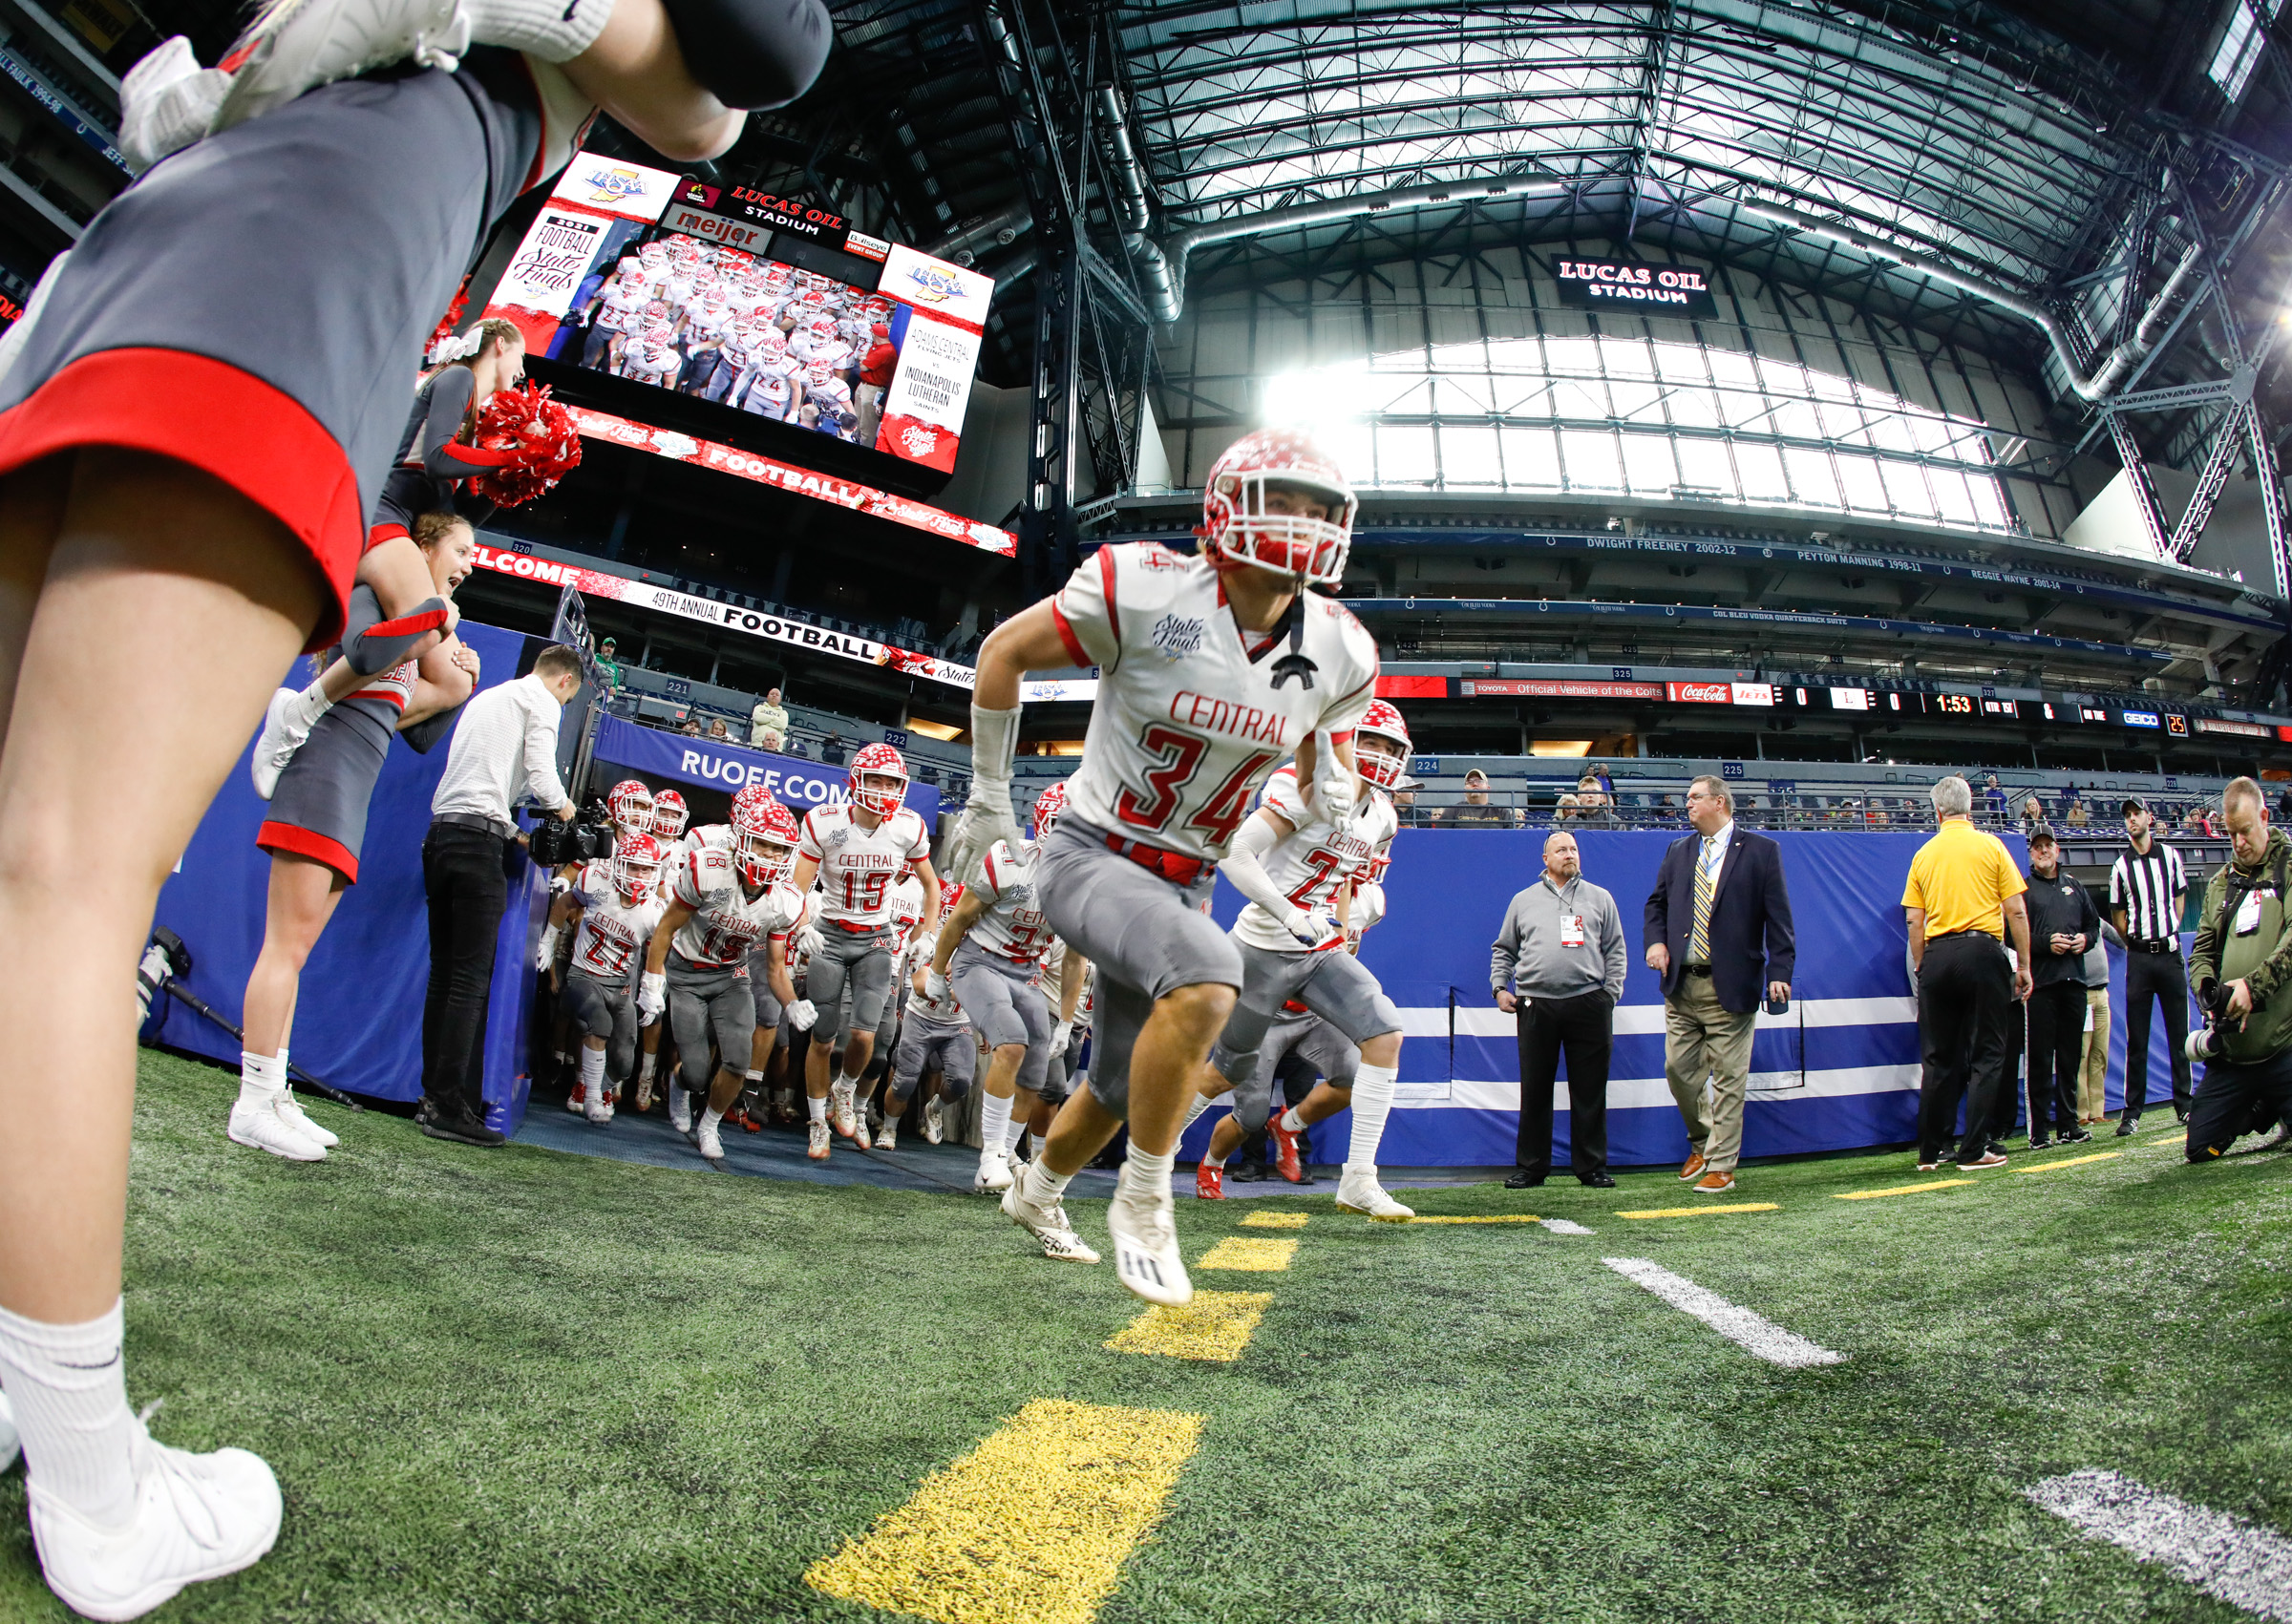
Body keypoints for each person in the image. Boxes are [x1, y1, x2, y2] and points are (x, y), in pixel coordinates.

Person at [0, 0, 825, 1608]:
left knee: (21, 868)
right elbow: (743, 67)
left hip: (134, 243)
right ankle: (92, 1483)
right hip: (317, 230)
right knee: (70, 880)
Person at [947, 428, 1378, 1306]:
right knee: (1211, 974)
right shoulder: (1143, 587)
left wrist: (1328, 777)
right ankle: (1145, 1199)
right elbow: (1002, 653)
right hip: (1090, 851)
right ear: (1224, 509)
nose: (1302, 524)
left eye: (1317, 509)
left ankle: (1039, 1189)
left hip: (1186, 877)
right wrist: (990, 794)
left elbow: (1319, 737)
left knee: (1116, 1081)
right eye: (1283, 502)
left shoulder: (1342, 644)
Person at [232, 513, 481, 1161]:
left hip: (351, 786)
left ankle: (274, 1091)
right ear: (421, 545)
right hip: (320, 771)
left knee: (299, 949)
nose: (468, 563)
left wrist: (458, 660)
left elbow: (439, 691)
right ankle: (252, 1101)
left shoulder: (424, 623)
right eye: (459, 548)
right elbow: (368, 648)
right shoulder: (377, 594)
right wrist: (440, 625)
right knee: (284, 946)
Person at [1188, 700, 1411, 1217]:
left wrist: (1365, 910)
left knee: (1385, 1033)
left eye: (1390, 746)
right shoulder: (1309, 788)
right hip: (1262, 948)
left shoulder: (1382, 814)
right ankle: (1155, 1153)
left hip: (1319, 951)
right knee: (1224, 1072)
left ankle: (1359, 1178)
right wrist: (1289, 914)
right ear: (1345, 743)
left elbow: (1362, 883)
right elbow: (1236, 854)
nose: (1379, 754)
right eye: (1370, 741)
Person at [421, 643, 584, 1146]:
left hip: (441, 838)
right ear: (565, 683)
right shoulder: (542, 703)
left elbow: (483, 782)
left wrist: (516, 832)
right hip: (475, 850)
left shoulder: (493, 697)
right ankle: (452, 1106)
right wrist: (566, 811)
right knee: (470, 981)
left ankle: (434, 1097)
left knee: (445, 976)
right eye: (570, 697)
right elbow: (541, 773)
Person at [932, 780, 1081, 1221]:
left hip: (1026, 973)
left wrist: (1068, 1023)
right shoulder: (1006, 859)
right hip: (980, 961)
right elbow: (959, 920)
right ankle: (991, 1156)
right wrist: (939, 975)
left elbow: (1074, 962)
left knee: (1036, 1069)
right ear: (1043, 824)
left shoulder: (1081, 882)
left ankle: (1010, 1154)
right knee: (1011, 1042)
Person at [1644, 774, 1794, 1193]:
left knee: (1729, 1078)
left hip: (1732, 984)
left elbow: (1779, 918)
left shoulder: (1762, 851)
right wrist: (1656, 942)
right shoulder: (1679, 850)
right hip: (1681, 986)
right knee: (1679, 1071)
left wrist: (1780, 973)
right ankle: (1703, 1141)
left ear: (1720, 802)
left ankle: (1722, 1164)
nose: (1686, 804)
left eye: (1694, 798)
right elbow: (1657, 904)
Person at [789, 742, 939, 1159]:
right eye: (877, 780)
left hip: (876, 937)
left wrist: (927, 934)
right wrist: (801, 927)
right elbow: (796, 888)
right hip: (830, 936)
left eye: (893, 782)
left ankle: (846, 1089)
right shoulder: (824, 821)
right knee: (823, 1037)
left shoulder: (907, 826)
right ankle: (818, 1121)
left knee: (864, 1035)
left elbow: (931, 887)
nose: (886, 789)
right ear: (855, 780)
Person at [642, 795, 808, 1164]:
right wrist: (652, 980)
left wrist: (791, 1003)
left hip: (732, 976)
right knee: (698, 1072)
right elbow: (666, 929)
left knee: (738, 1059)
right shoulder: (709, 868)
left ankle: (710, 1125)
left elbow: (776, 965)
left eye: (779, 847)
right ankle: (681, 1084)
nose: (769, 854)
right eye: (763, 842)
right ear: (742, 839)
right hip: (686, 973)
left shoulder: (786, 900)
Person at [1904, 775, 2033, 1171]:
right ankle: (1974, 1149)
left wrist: (1924, 962)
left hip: (1938, 954)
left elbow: (1914, 920)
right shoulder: (1991, 846)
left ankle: (1930, 1152)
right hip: (1983, 951)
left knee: (1938, 1059)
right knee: (1988, 1054)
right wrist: (2025, 965)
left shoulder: (1924, 854)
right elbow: (2015, 911)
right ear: (1970, 806)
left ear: (1937, 810)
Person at [1493, 831, 1625, 1189]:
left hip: (1589, 1004)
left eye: (1574, 849)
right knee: (1535, 1089)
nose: (1570, 854)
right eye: (1561, 850)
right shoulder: (1524, 900)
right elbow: (1504, 949)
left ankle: (1592, 1167)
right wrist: (1500, 988)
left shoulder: (1600, 898)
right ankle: (1532, 1168)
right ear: (1545, 859)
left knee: (1590, 1090)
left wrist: (1608, 995)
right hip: (1536, 1005)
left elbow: (1615, 949)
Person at [2183, 777, 2292, 1159]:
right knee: (2199, 1149)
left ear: (2264, 817)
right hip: (2234, 1054)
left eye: (2245, 832)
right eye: (2231, 835)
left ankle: (2275, 1101)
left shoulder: (2289, 867)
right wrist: (2209, 994)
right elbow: (2200, 954)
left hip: (2285, 1045)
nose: (2238, 843)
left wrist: (2251, 987)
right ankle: (2263, 1106)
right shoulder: (2220, 883)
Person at [542, 829, 667, 1125]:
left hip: (621, 986)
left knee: (624, 1063)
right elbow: (564, 904)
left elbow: (659, 951)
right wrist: (548, 940)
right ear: (619, 863)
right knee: (599, 1024)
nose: (639, 874)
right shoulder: (596, 880)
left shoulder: (656, 910)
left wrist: (653, 989)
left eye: (647, 868)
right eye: (634, 866)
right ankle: (591, 1096)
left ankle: (600, 1088)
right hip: (584, 974)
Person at [2109, 796, 2192, 1133]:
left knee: (2179, 1034)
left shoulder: (2171, 857)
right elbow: (2118, 917)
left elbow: (2180, 898)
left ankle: (2184, 1105)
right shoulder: (2120, 867)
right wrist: (2138, 944)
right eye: (2127, 815)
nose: (2132, 819)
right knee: (2137, 1038)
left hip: (2169, 954)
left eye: (2136, 813)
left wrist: (2167, 931)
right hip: (2140, 958)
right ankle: (2132, 1113)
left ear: (2149, 817)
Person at [2022, 827, 2099, 1149]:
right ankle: (2039, 1130)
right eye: (2037, 847)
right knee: (2041, 1059)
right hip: (2041, 987)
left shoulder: (2075, 887)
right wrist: (2043, 944)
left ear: (2057, 850)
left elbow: (2093, 925)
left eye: (2048, 845)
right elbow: (2011, 934)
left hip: (2074, 983)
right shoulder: (2024, 890)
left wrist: (2085, 940)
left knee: (2070, 1058)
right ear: (2031, 854)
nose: (2043, 851)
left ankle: (2069, 1124)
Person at [2078, 931, 2113, 1128]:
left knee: (2100, 1054)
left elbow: (2117, 934)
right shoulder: (2072, 920)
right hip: (2083, 993)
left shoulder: (2098, 922)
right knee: (2082, 1055)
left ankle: (2097, 1111)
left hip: (2102, 992)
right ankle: (2081, 1113)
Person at [1439, 769, 1516, 828]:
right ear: (1464, 790)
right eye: (1470, 781)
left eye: (1479, 781)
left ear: (1488, 788)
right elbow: (1440, 838)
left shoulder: (1502, 812)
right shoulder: (1452, 811)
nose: (1475, 784)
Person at [750, 685, 789, 751]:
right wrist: (774, 719)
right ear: (767, 697)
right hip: (757, 745)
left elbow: (782, 725)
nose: (774, 695)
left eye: (777, 695)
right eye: (772, 694)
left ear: (780, 699)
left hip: (776, 749)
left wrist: (765, 719)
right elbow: (758, 718)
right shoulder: (759, 707)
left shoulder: (783, 713)